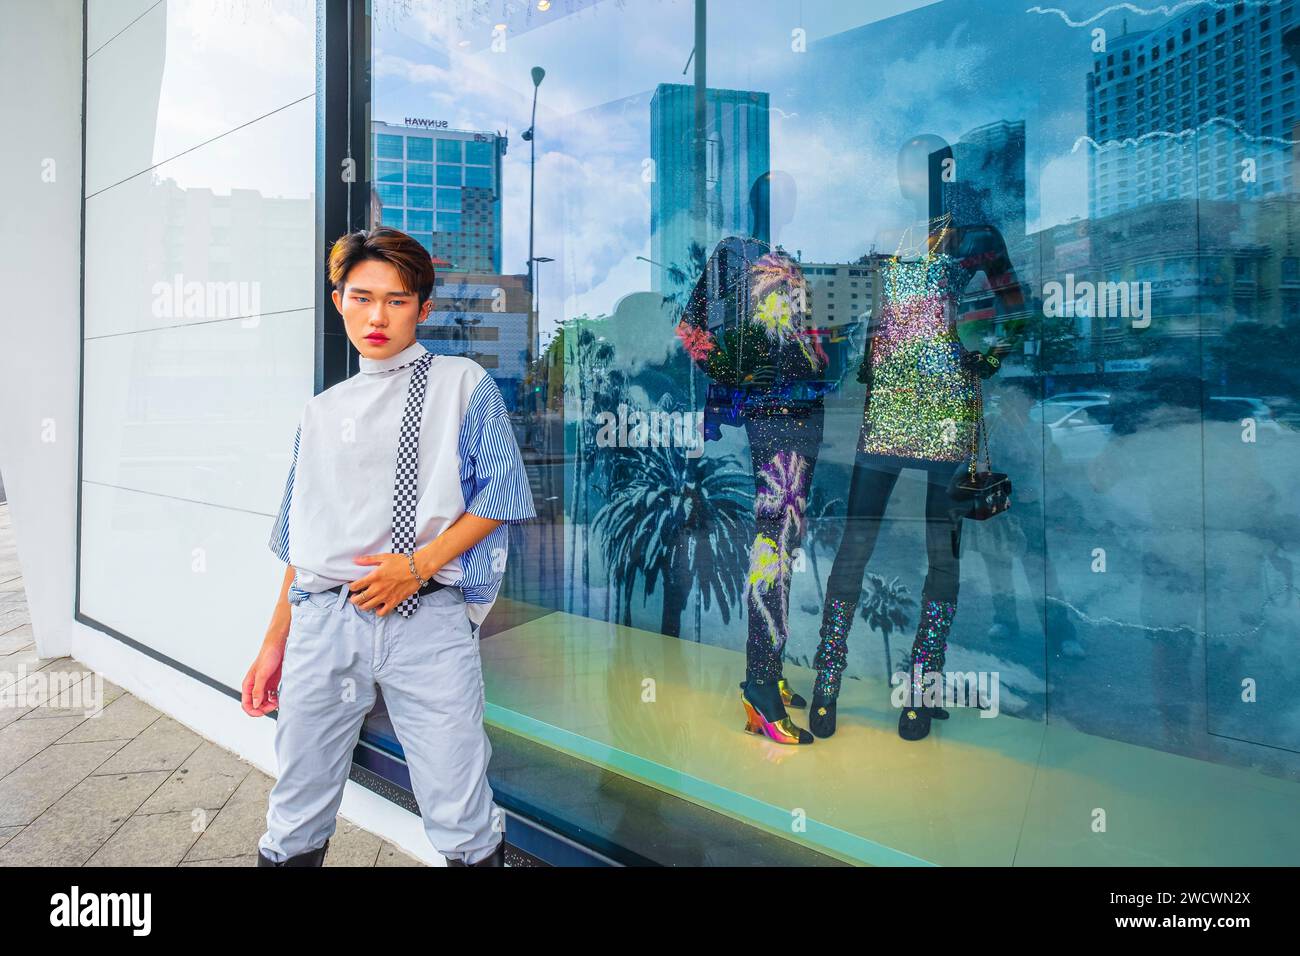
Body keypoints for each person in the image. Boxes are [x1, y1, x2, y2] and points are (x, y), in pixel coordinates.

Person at [241, 227, 536, 866]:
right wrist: (273, 643)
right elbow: (300, 537)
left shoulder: (462, 382)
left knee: (461, 810)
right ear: (339, 299)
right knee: (295, 810)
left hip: (425, 621)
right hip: (322, 622)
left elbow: (503, 495)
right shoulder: (321, 411)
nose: (378, 316)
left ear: (422, 310)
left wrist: (419, 566)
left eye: (398, 300)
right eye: (362, 296)